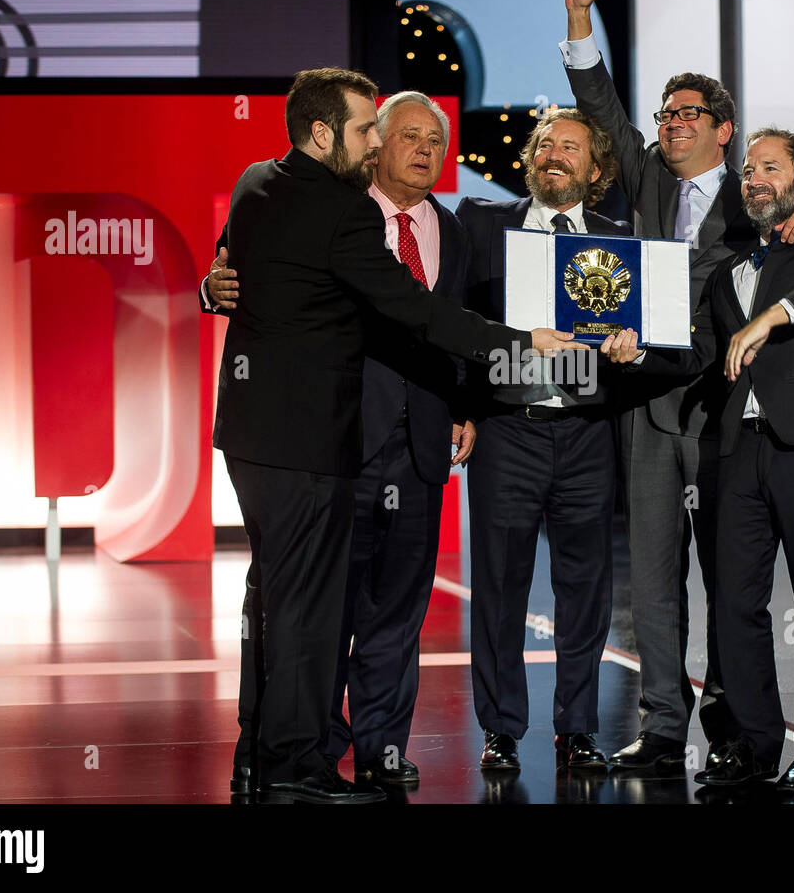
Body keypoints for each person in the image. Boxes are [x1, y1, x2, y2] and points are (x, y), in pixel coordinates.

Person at [213, 67, 574, 803]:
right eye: (370, 130)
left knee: (290, 603)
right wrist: (522, 341)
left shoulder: (257, 179)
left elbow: (249, 268)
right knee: (310, 612)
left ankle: (276, 758)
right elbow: (418, 312)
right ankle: (297, 766)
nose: (380, 143)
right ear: (325, 134)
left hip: (260, 435)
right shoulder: (345, 212)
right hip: (317, 440)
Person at [560, 0, 794, 772]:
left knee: (729, 583)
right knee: (651, 581)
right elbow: (598, 99)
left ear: (723, 129)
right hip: (647, 408)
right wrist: (580, 17)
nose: (671, 124)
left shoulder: (760, 204)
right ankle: (663, 728)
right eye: (665, 113)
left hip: (723, 413)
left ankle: (733, 735)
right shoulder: (644, 176)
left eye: (687, 114)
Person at [205, 91, 475, 789]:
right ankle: (299, 751)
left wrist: (466, 404)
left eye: (436, 141)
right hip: (334, 441)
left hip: (418, 443)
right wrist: (212, 284)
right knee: (310, 605)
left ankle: (380, 749)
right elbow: (243, 260)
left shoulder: (454, 228)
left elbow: (453, 324)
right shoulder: (329, 205)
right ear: (371, 143)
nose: (424, 150)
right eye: (405, 135)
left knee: (396, 609)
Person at [602, 128, 794, 792]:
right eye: (749, 168)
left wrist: (771, 317)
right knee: (734, 603)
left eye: (770, 168)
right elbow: (696, 359)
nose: (753, 176)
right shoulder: (728, 274)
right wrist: (636, 352)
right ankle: (752, 745)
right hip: (735, 452)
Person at [455, 108, 630, 771]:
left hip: (587, 432)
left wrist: (629, 351)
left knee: (584, 587)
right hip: (506, 430)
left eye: (570, 148)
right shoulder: (480, 222)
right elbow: (458, 321)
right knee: (499, 584)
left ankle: (577, 729)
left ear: (595, 171)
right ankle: (501, 730)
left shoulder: (621, 238)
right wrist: (460, 405)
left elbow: (648, 340)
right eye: (547, 144)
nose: (555, 154)